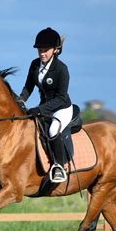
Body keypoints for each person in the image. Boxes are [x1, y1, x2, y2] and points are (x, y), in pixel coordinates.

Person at [18, 27, 73, 183]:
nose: (42, 53)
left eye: (46, 50)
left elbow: (61, 98)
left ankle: (59, 166)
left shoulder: (62, 69)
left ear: (55, 50)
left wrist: (40, 109)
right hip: (44, 107)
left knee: (53, 129)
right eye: (40, 50)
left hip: (62, 109)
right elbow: (28, 87)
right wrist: (21, 100)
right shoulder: (35, 65)